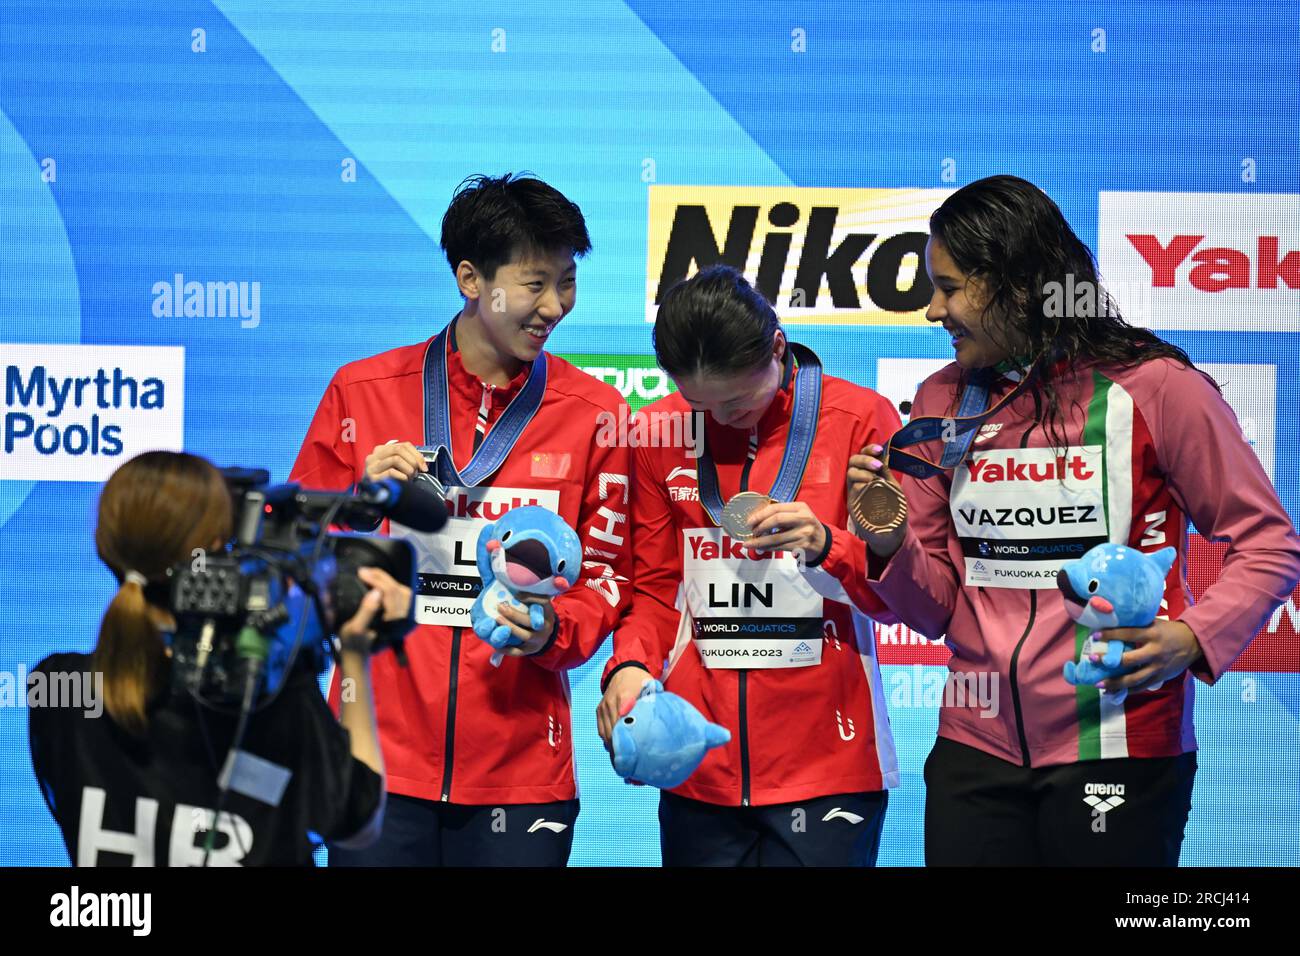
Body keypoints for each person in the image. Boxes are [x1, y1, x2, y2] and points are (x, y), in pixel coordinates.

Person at [849, 174, 1300, 866]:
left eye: (951, 285)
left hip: (1123, 745)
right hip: (975, 749)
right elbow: (937, 608)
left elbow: (1269, 544)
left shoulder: (1157, 389)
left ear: (1017, 284)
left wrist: (1193, 637)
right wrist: (889, 543)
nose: (933, 309)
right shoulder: (940, 401)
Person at [290, 173, 631, 866]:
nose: (556, 305)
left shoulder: (597, 415)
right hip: (375, 759)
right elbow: (296, 561)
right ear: (470, 279)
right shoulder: (361, 392)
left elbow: (610, 577)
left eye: (568, 281)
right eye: (536, 284)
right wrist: (357, 503)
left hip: (522, 771)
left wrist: (553, 631)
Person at [597, 265, 902, 866]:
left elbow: (903, 599)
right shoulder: (656, 432)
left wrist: (828, 544)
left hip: (828, 765)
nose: (717, 417)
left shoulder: (862, 420)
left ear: (779, 348)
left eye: (736, 400)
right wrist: (629, 665)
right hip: (698, 761)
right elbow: (657, 589)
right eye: (696, 401)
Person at [28, 451, 405, 866]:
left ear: (106, 544)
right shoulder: (263, 697)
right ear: (213, 551)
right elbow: (359, 820)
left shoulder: (55, 687)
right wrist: (353, 658)